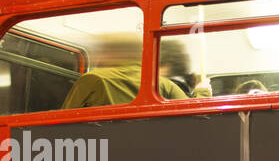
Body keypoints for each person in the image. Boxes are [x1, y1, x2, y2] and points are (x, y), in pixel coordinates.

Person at [61, 35, 210, 108]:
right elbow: (192, 112)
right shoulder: (163, 84)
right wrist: (202, 92)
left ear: (112, 54)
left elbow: (64, 118)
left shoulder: (92, 79)